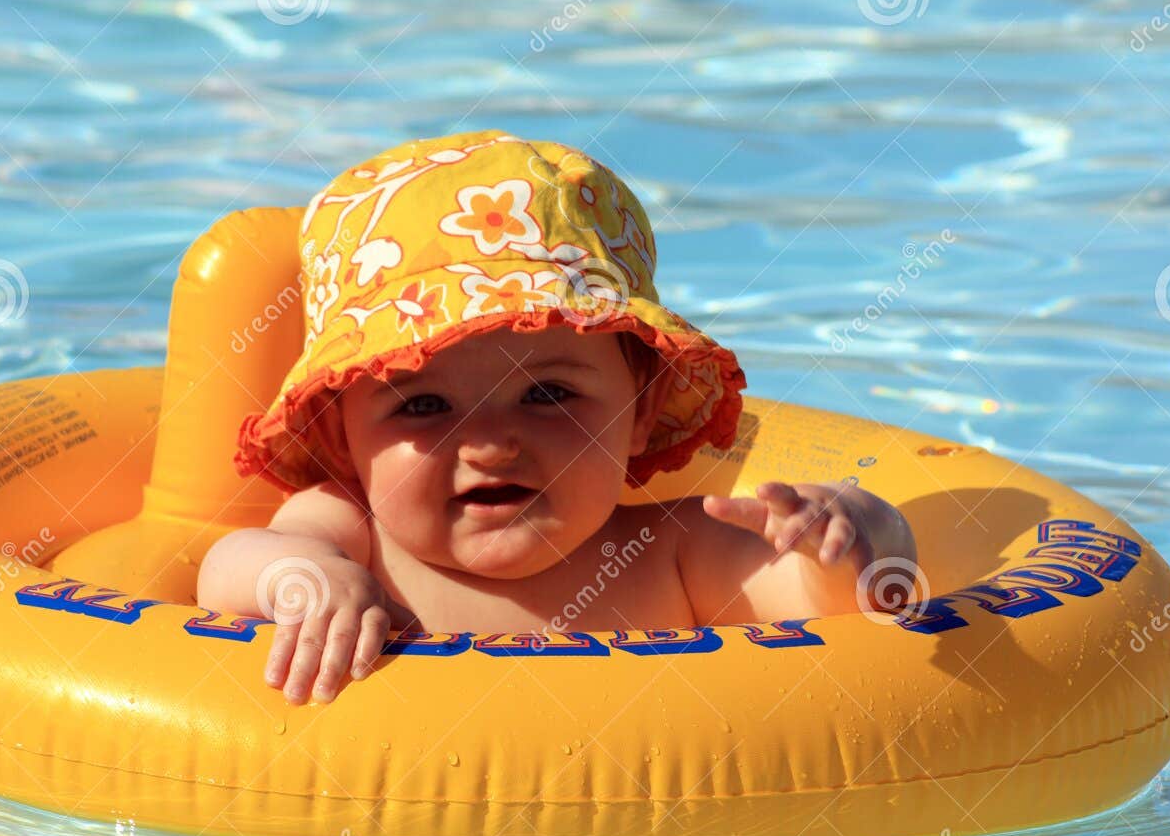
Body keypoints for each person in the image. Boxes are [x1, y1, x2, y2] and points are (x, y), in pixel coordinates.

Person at [197, 130, 916, 705]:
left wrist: (851, 532)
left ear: (642, 410)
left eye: (547, 394)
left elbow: (830, 610)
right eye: (422, 404)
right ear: (339, 434)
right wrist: (309, 579)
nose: (491, 442)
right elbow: (226, 569)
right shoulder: (352, 533)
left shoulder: (674, 550)